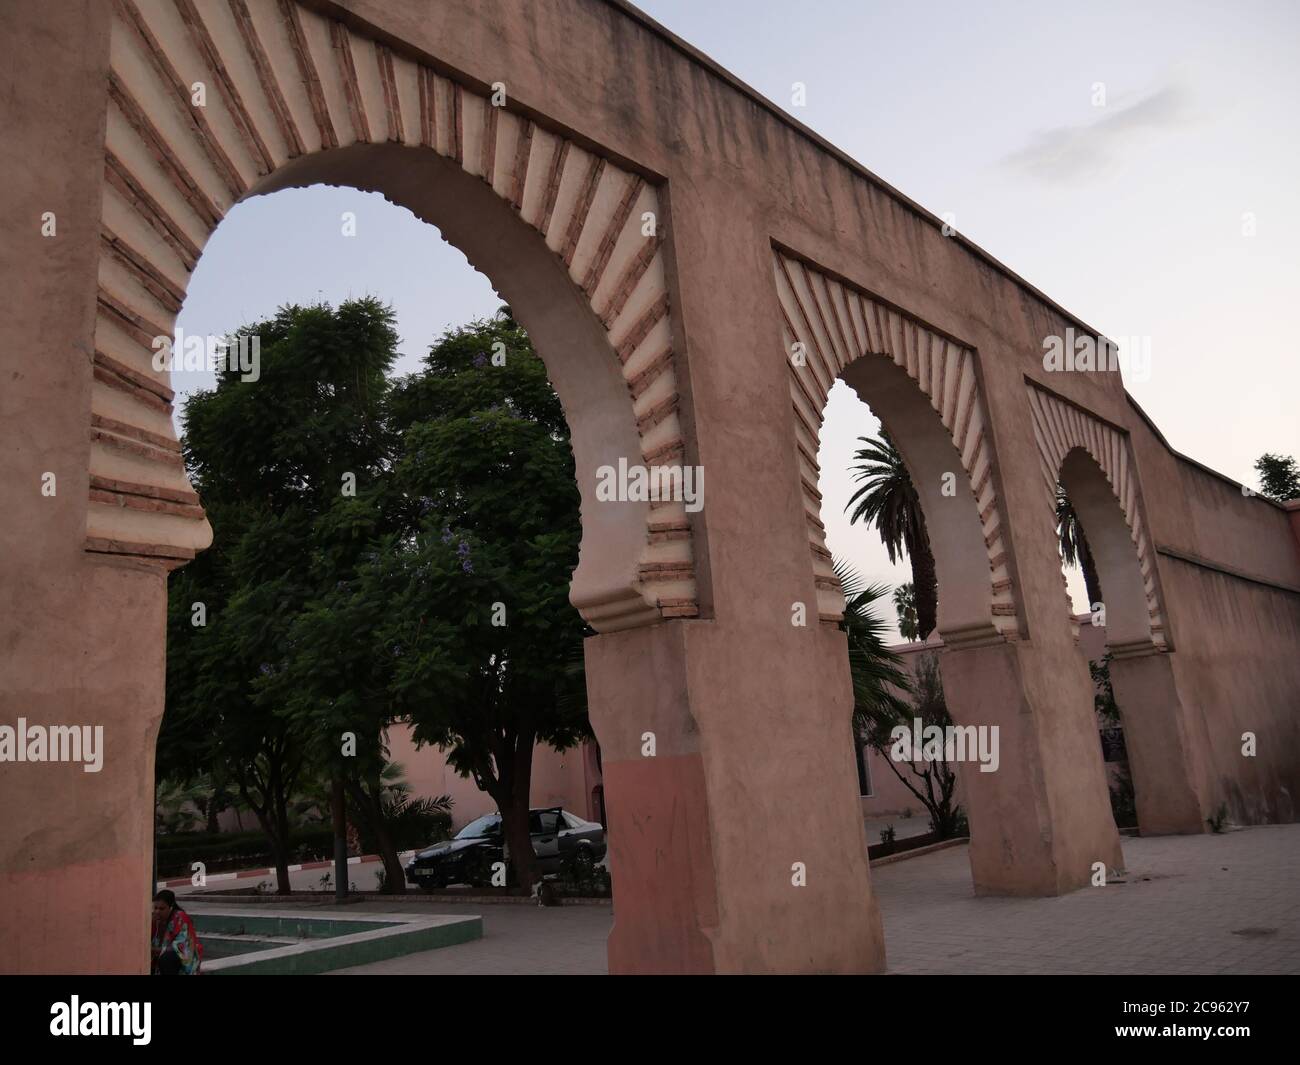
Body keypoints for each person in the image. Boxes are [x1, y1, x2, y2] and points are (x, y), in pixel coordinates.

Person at [150, 890, 202, 974]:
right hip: (162, 955)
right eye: (155, 908)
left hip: (184, 956)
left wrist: (156, 950)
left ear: (171, 907)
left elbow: (181, 946)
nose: (157, 912)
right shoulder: (155, 919)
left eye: (161, 908)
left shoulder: (180, 917)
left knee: (167, 958)